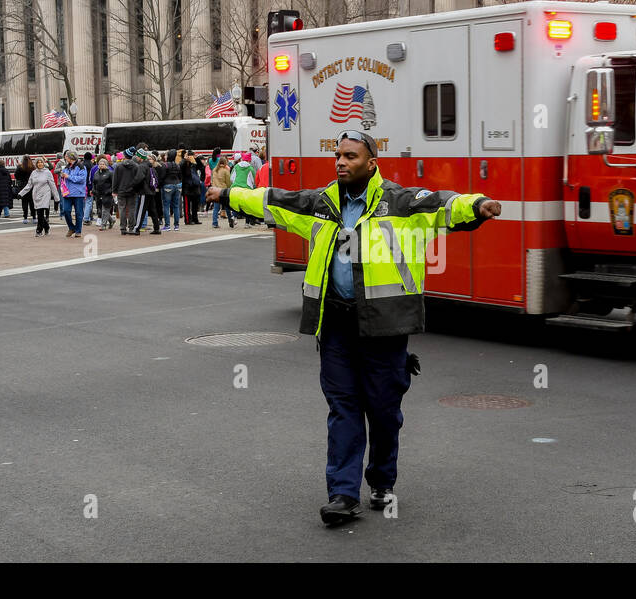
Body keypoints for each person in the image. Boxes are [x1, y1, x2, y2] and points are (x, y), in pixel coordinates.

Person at [207, 130, 502, 525]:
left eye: (350, 156)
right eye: (338, 156)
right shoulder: (322, 204)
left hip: (386, 325)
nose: (341, 162)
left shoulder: (400, 203)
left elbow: (444, 205)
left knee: (383, 409)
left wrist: (478, 204)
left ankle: (381, 480)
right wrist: (228, 195)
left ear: (371, 163)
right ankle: (343, 494)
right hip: (336, 325)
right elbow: (275, 201)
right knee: (343, 408)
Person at [19, 157, 60, 236]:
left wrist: (56, 198)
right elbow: (29, 185)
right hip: (36, 195)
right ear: (36, 164)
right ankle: (47, 226)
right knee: (39, 214)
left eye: (41, 162)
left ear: (43, 163)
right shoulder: (33, 173)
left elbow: (52, 185)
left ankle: (39, 230)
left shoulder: (47, 172)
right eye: (38, 162)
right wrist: (21, 193)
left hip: (45, 194)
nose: (40, 164)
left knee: (40, 212)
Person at [113, 147, 145, 235]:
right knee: (132, 209)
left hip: (121, 190)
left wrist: (114, 190)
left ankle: (123, 228)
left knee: (122, 208)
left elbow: (115, 179)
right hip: (132, 191)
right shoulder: (136, 166)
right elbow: (138, 178)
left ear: (125, 155)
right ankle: (131, 227)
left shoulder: (118, 166)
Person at [60, 150, 88, 238]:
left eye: (66, 156)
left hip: (78, 193)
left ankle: (78, 231)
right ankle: (71, 227)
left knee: (79, 213)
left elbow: (82, 179)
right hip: (67, 193)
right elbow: (63, 180)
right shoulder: (66, 168)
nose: (65, 158)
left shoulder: (81, 166)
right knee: (66, 211)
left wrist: (69, 177)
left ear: (70, 157)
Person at [230, 153, 258, 225]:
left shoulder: (236, 166)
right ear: (249, 160)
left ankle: (233, 217)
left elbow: (231, 178)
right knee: (247, 207)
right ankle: (247, 224)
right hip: (246, 189)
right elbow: (254, 180)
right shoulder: (250, 168)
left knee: (236, 203)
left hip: (236, 187)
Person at [209, 156, 235, 229]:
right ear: (225, 163)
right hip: (223, 191)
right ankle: (230, 220)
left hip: (215, 191)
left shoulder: (214, 170)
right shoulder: (225, 171)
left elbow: (211, 181)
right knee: (227, 207)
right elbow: (228, 183)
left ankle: (214, 223)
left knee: (216, 208)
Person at [161, 148, 182, 231]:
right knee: (176, 206)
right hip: (178, 185)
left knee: (166, 206)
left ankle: (167, 225)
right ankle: (176, 226)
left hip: (167, 185)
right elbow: (180, 177)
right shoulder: (177, 165)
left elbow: (162, 177)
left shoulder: (165, 165)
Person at [92, 155, 115, 230]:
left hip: (107, 194)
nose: (101, 165)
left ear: (106, 165)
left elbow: (114, 183)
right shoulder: (96, 173)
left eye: (103, 164)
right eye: (100, 164)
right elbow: (94, 183)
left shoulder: (110, 173)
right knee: (100, 210)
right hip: (98, 194)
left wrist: (111, 191)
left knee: (105, 209)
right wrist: (93, 190)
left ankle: (103, 225)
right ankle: (111, 220)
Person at [15, 155, 35, 223]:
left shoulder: (20, 167)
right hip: (31, 186)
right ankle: (34, 217)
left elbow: (16, 176)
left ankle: (25, 218)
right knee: (32, 203)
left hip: (23, 186)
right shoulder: (32, 167)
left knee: (24, 203)